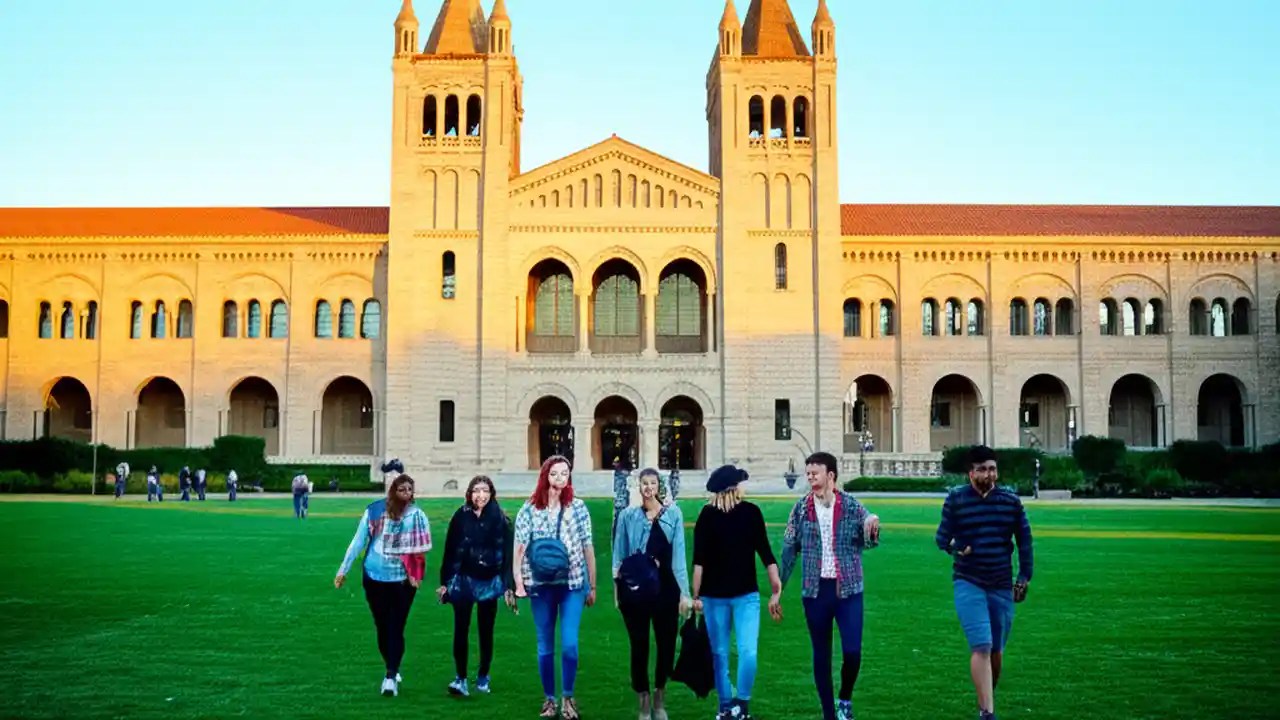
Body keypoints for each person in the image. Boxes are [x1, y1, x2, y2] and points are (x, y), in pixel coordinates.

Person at [935, 445, 1034, 720]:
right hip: (968, 581)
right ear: (970, 473)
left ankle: (986, 697)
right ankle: (987, 713)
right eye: (982, 469)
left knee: (996, 651)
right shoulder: (956, 499)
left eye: (992, 468)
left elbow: (1024, 541)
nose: (988, 474)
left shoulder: (1010, 501)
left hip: (1001, 583)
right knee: (981, 644)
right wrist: (957, 546)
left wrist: (1024, 576)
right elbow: (942, 538)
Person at [780, 452, 881, 720]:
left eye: (816, 473)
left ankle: (844, 699)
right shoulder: (801, 508)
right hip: (815, 592)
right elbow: (790, 547)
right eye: (808, 473)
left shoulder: (850, 505)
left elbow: (869, 538)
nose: (811, 477)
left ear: (831, 476)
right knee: (821, 655)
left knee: (852, 652)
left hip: (848, 591)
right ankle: (829, 714)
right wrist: (779, 588)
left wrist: (872, 524)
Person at [692, 465, 783, 720]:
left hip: (727, 596)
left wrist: (695, 596)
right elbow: (766, 555)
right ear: (735, 488)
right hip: (732, 596)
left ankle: (732, 705)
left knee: (725, 654)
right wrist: (775, 587)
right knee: (742, 652)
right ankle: (734, 705)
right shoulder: (744, 513)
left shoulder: (709, 515)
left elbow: (698, 563)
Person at [512, 455, 597, 720]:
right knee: (545, 645)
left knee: (569, 644)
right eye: (555, 473)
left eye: (564, 474)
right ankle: (549, 699)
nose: (560, 479)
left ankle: (568, 697)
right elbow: (519, 548)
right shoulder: (528, 509)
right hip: (540, 584)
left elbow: (587, 546)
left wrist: (592, 584)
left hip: (572, 583)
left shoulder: (578, 507)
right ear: (545, 476)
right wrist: (517, 583)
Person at [335, 474, 432, 697]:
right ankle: (392, 663)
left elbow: (420, 551)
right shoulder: (374, 511)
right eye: (401, 489)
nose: (406, 493)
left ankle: (390, 676)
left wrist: (416, 573)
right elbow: (358, 542)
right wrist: (343, 570)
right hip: (374, 577)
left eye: (410, 489)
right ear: (393, 491)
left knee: (396, 627)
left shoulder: (417, 515)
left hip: (402, 581)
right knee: (382, 626)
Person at [612, 467, 692, 720]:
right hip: (635, 590)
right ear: (639, 486)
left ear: (659, 486)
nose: (648, 487)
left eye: (652, 483)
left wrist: (684, 594)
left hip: (666, 589)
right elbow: (619, 554)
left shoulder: (673, 515)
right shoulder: (627, 516)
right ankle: (643, 700)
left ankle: (660, 696)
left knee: (666, 646)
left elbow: (679, 555)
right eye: (644, 483)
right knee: (639, 646)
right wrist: (617, 591)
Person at [437, 475, 517, 697]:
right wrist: (445, 582)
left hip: (490, 582)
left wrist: (508, 585)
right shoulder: (460, 517)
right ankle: (460, 678)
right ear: (470, 494)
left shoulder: (501, 520)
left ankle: (483, 676)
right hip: (463, 580)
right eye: (476, 490)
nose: (480, 495)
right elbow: (450, 550)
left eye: (485, 490)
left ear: (491, 494)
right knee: (460, 630)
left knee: (485, 631)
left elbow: (507, 556)